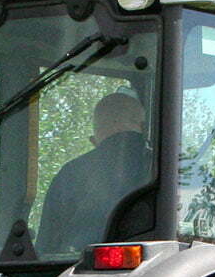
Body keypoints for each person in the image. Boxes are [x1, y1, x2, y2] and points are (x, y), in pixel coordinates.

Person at [37, 91, 152, 254]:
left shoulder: (70, 174)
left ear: (94, 140)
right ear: (143, 127)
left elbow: (46, 249)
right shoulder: (166, 168)